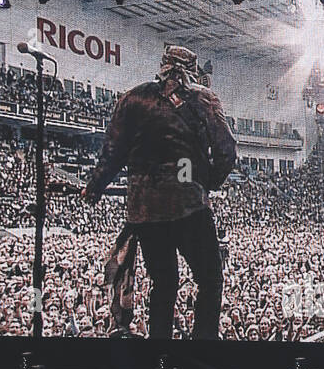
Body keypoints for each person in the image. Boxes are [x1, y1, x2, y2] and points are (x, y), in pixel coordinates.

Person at [82, 45, 237, 340]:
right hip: (188, 201)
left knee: (164, 282)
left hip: (144, 207)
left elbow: (112, 151)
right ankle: (203, 346)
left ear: (163, 65)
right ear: (190, 71)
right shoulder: (202, 99)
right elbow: (227, 151)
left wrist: (95, 187)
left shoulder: (132, 98)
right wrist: (209, 182)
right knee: (210, 279)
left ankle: (160, 350)